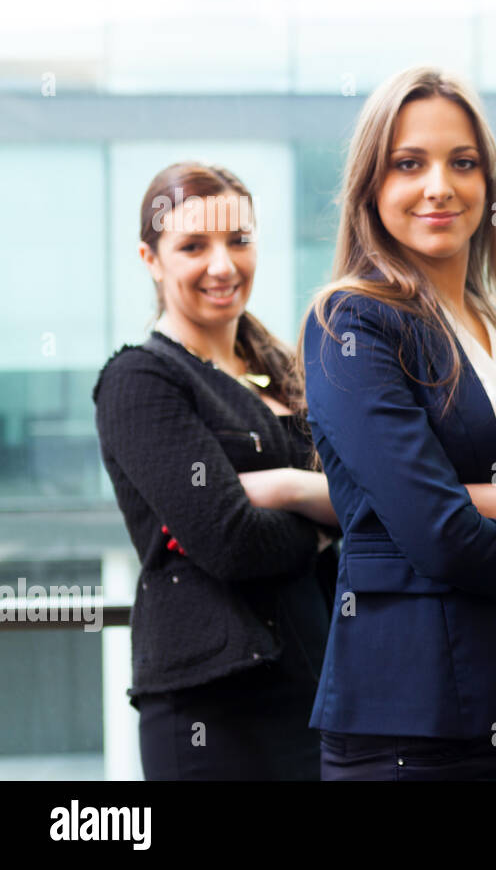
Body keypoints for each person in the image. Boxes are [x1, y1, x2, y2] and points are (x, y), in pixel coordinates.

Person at [301, 66, 496, 781]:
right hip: (414, 727)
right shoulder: (352, 323)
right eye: (409, 164)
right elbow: (439, 532)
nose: (440, 185)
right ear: (372, 186)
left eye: (462, 163)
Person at [93, 161, 338, 780]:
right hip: (214, 706)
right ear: (151, 258)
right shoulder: (140, 380)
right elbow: (229, 539)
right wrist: (325, 522)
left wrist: (283, 487)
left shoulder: (288, 371)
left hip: (318, 682)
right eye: (193, 246)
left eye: (238, 240)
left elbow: (372, 496)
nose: (223, 265)